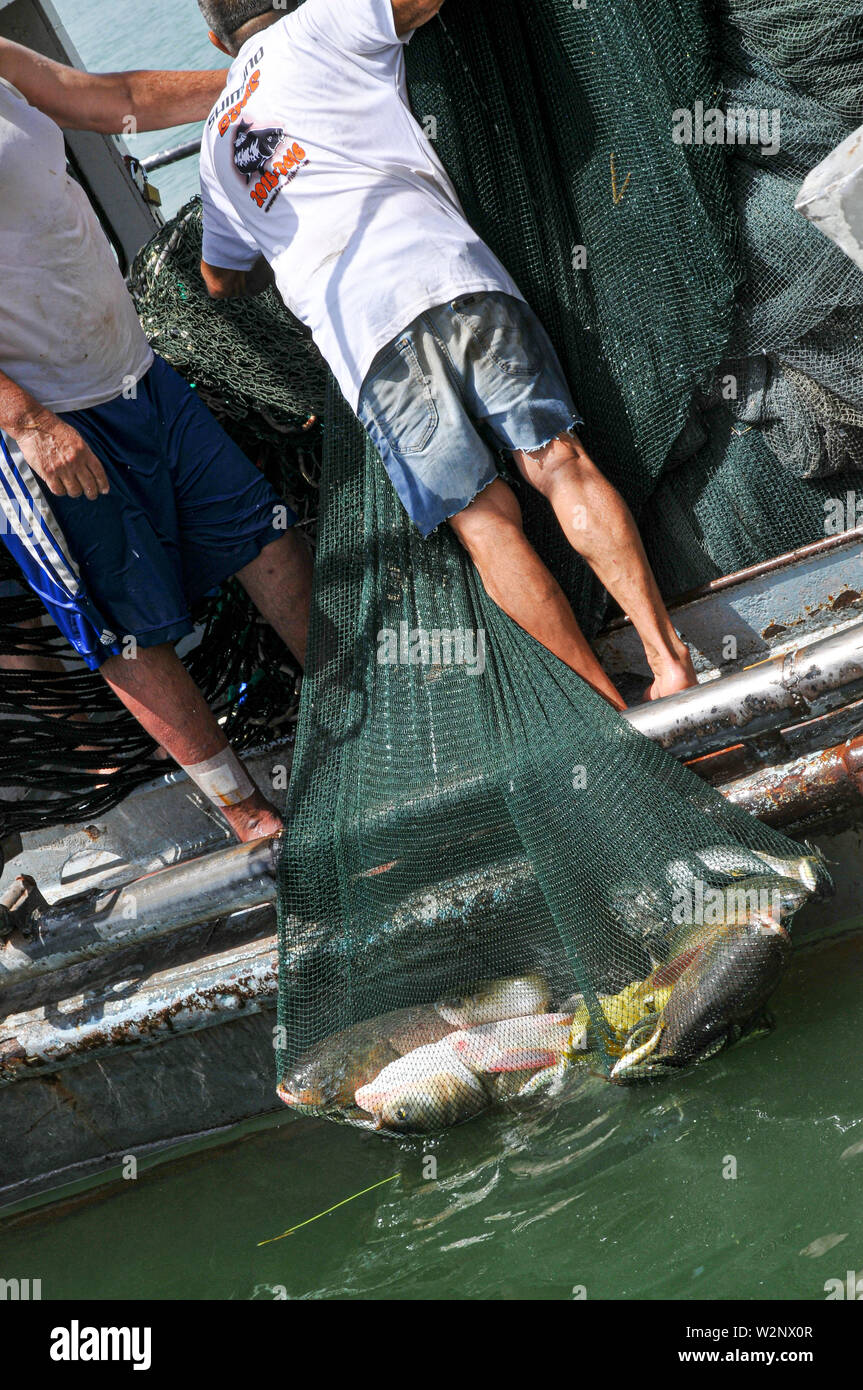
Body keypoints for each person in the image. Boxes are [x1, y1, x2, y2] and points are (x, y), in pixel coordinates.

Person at [196, 0, 697, 710]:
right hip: (450, 273)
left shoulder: (217, 137)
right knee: (559, 462)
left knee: (484, 523)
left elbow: (222, 277)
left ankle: (609, 712)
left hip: (364, 341)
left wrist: (280, 239)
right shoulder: (318, 23)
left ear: (215, 38)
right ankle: (667, 658)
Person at [0, 37, 313, 841]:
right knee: (123, 623)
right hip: (48, 421)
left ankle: (381, 716)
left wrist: (257, 79)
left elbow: (115, 100)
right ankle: (245, 812)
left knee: (261, 533)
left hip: (139, 373)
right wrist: (28, 421)